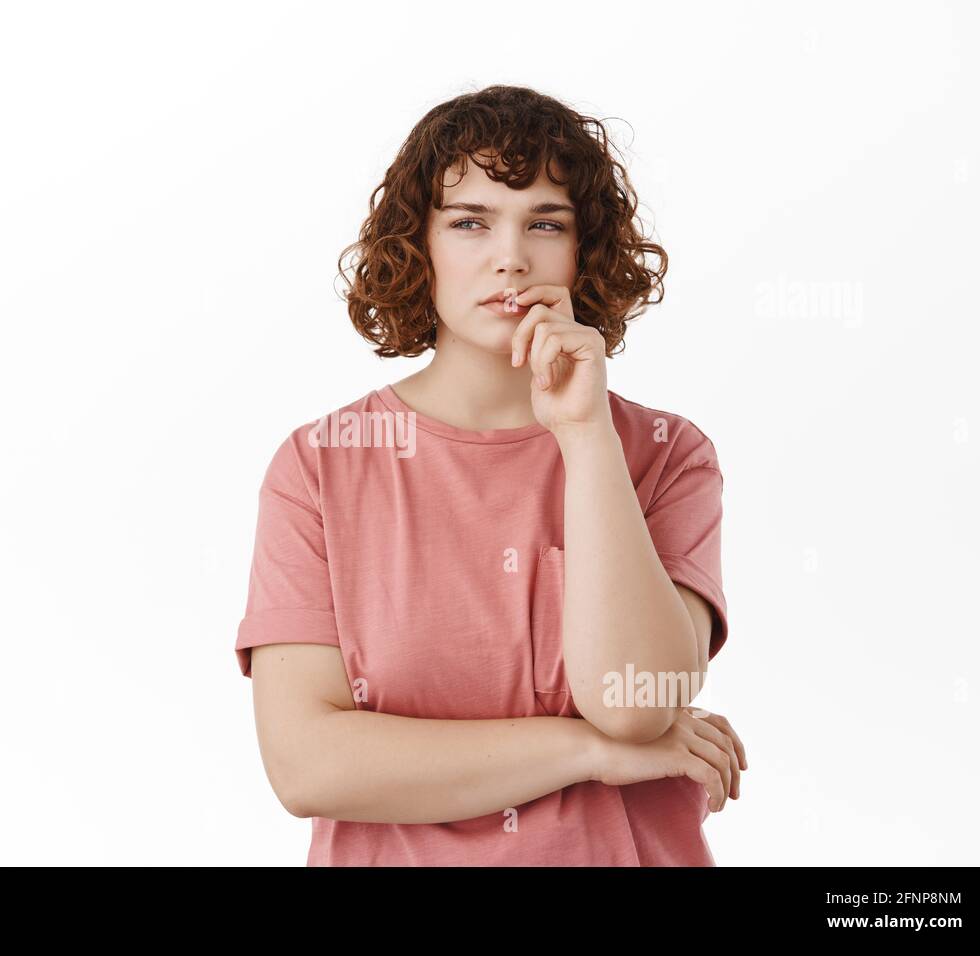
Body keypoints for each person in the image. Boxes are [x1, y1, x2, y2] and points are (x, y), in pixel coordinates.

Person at [235, 85, 746, 866]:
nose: (511, 255)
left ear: (585, 252)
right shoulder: (319, 465)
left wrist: (585, 435)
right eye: (469, 222)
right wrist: (589, 754)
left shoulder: (667, 454)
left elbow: (636, 704)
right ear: (421, 245)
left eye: (547, 223)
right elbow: (309, 765)